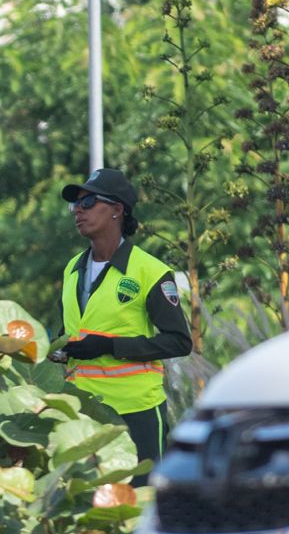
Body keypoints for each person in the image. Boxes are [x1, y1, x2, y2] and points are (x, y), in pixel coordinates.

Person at [56, 169, 193, 481]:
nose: (78, 210)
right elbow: (71, 330)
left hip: (137, 413)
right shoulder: (72, 270)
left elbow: (179, 342)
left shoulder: (150, 271)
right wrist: (60, 347)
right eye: (75, 205)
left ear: (117, 210)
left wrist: (109, 347)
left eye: (88, 201)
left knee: (141, 504)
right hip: (83, 411)